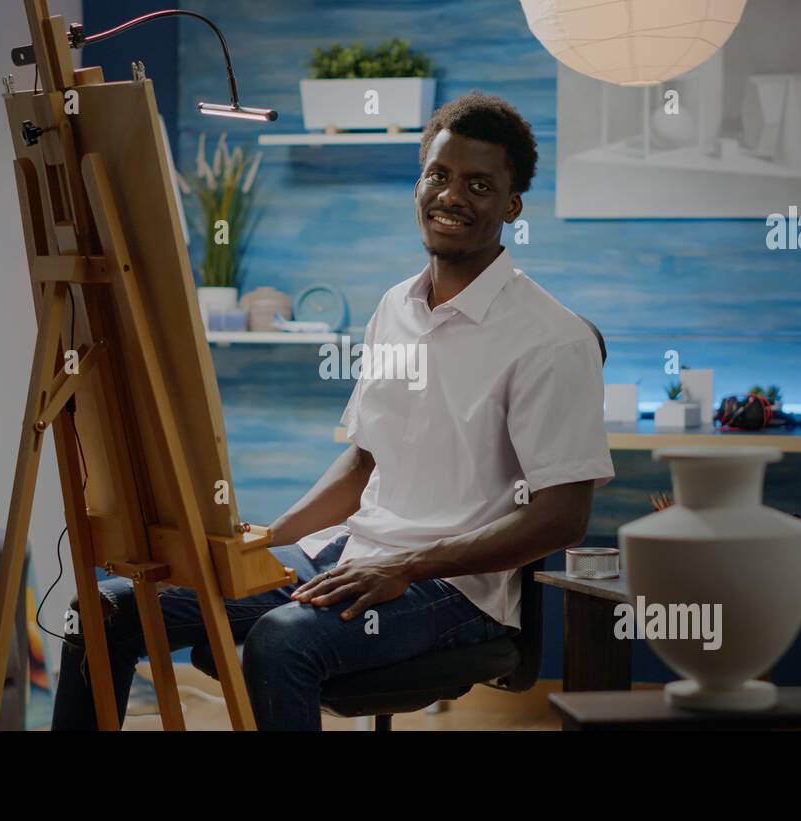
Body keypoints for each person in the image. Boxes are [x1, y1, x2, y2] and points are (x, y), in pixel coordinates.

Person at [52, 91, 614, 731]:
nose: (452, 196)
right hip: (350, 553)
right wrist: (270, 539)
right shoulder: (394, 308)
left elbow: (563, 519)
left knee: (283, 638)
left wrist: (407, 565)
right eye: (439, 175)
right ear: (418, 184)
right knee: (111, 608)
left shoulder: (550, 338)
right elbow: (364, 459)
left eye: (479, 185)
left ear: (512, 206)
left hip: (459, 590)